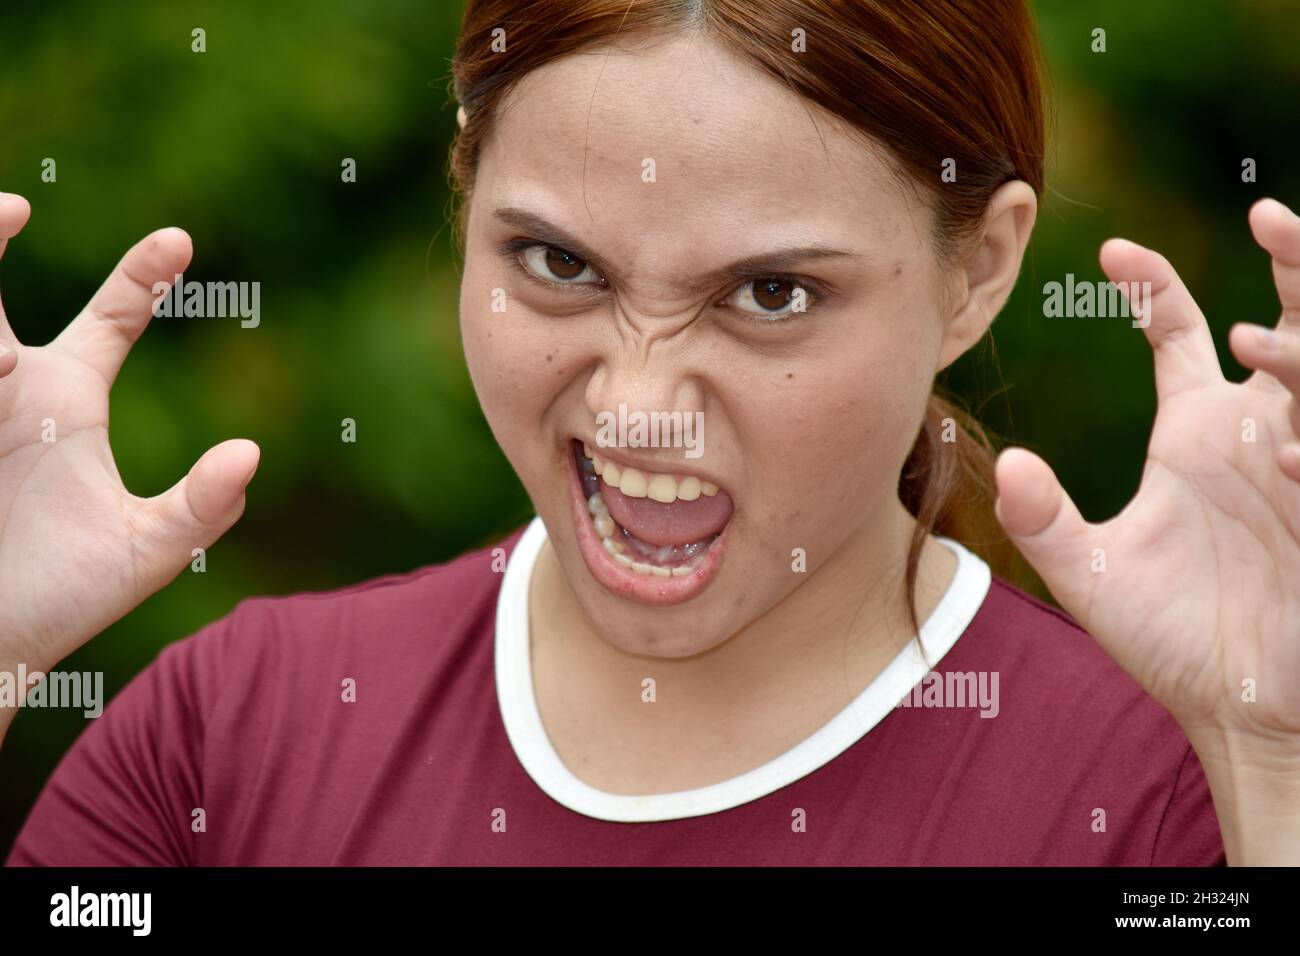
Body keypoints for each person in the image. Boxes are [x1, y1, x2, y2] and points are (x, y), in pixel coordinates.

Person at [3, 0, 1298, 866]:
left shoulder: (1148, 806)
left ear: (980, 273)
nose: (634, 404)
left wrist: (1270, 765)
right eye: (558, 262)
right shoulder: (230, 738)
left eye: (771, 294)